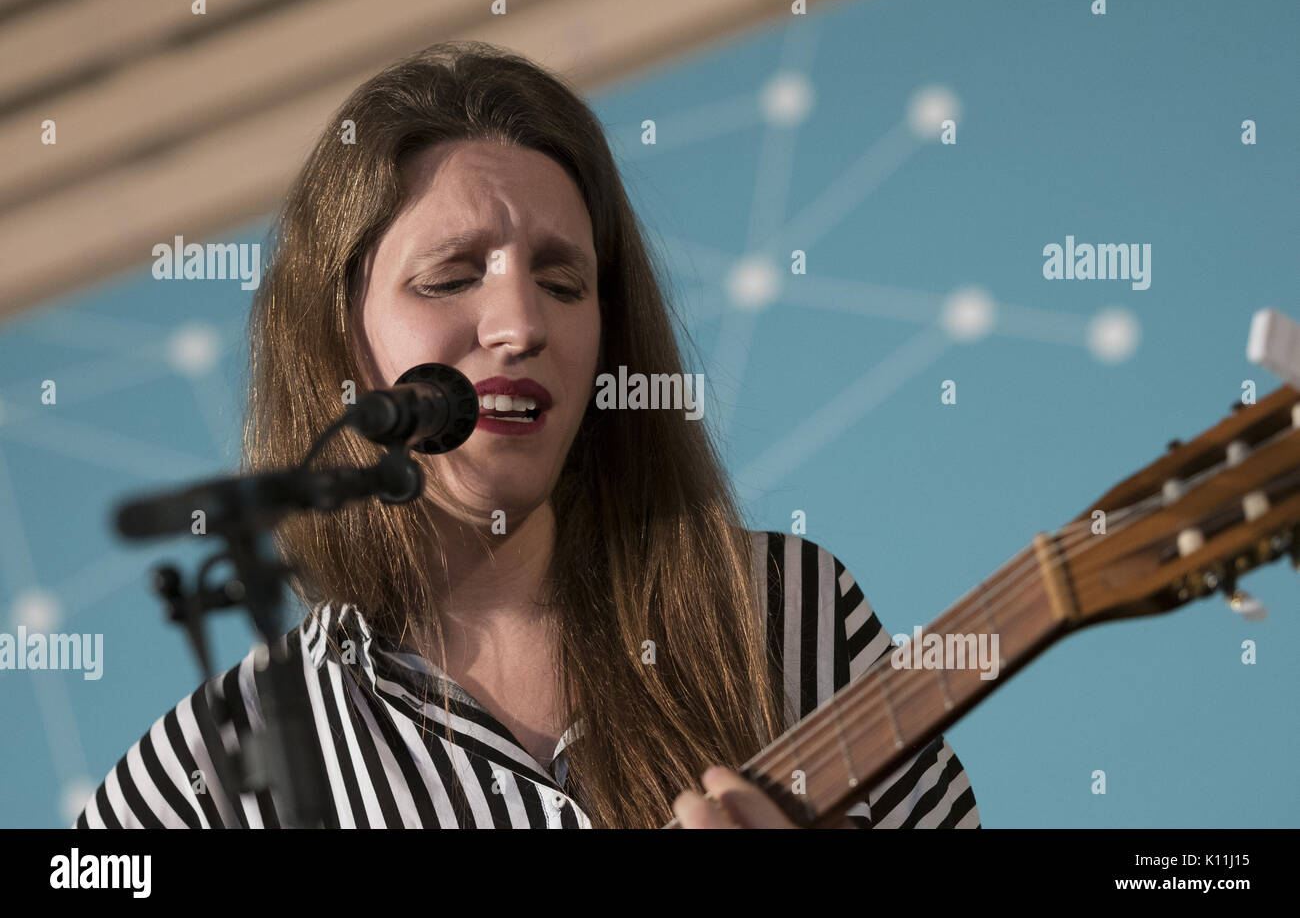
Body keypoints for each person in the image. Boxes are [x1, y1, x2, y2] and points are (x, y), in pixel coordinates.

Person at [77, 40, 979, 829]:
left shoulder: (788, 615)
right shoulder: (204, 780)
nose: (519, 322)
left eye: (562, 280)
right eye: (450, 277)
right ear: (342, 339)